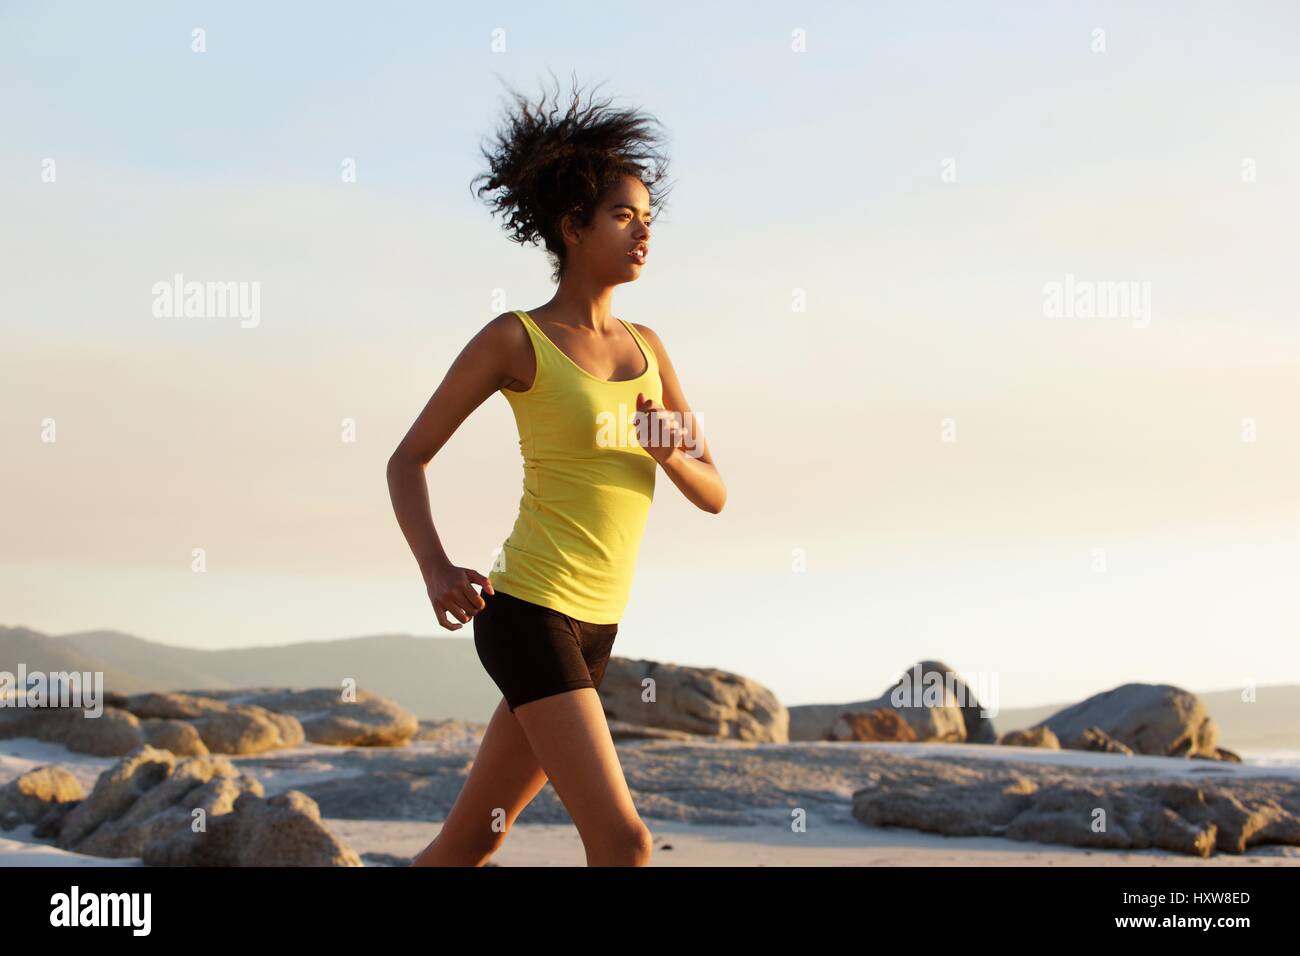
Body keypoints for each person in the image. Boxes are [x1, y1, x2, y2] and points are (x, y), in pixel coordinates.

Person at [387, 73, 726, 867]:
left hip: (598, 626)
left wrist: (670, 451)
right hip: (529, 613)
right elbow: (408, 458)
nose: (643, 234)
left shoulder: (649, 349)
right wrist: (435, 568)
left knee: (470, 842)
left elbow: (714, 492)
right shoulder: (517, 339)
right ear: (574, 227)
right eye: (622, 217)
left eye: (649, 219)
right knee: (625, 841)